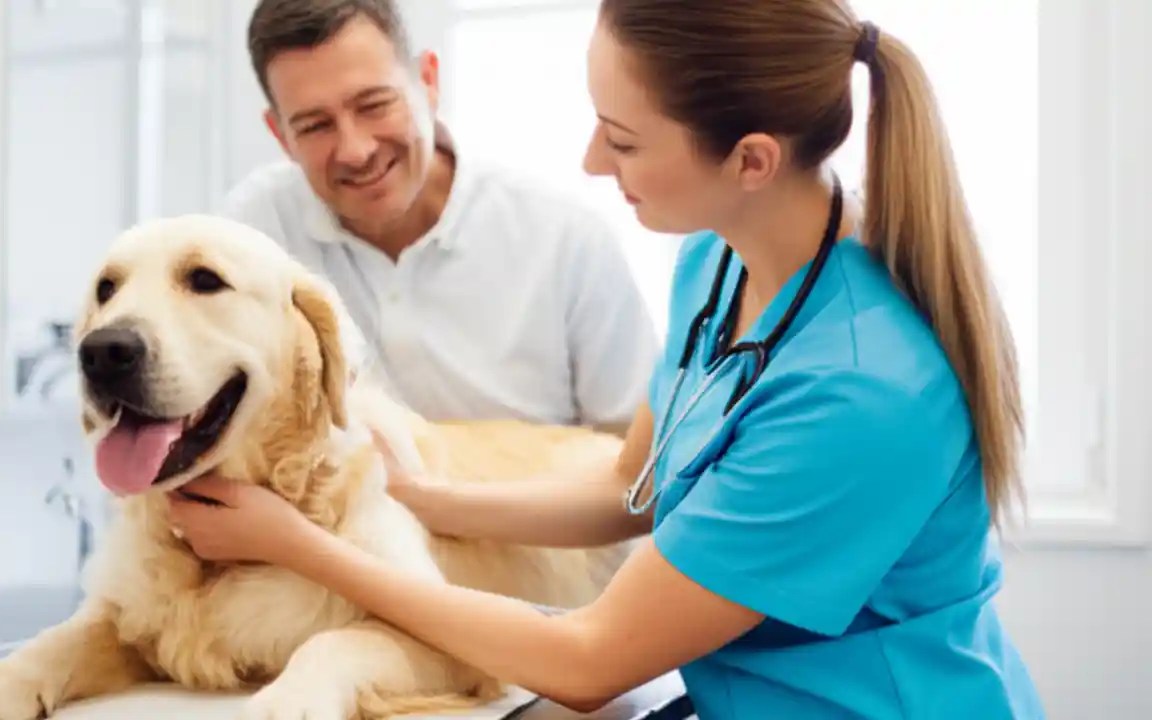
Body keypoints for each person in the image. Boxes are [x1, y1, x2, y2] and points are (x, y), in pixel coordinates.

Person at [172, 1, 1045, 717]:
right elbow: (630, 489)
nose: (593, 161)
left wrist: (299, 546)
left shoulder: (859, 392)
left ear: (750, 161)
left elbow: (589, 662)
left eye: (622, 140)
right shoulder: (718, 264)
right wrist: (421, 494)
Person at [219, 0, 659, 432]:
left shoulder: (565, 239)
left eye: (374, 105)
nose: (356, 150)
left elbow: (634, 472)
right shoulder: (247, 239)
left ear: (428, 82)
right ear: (281, 135)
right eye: (315, 126)